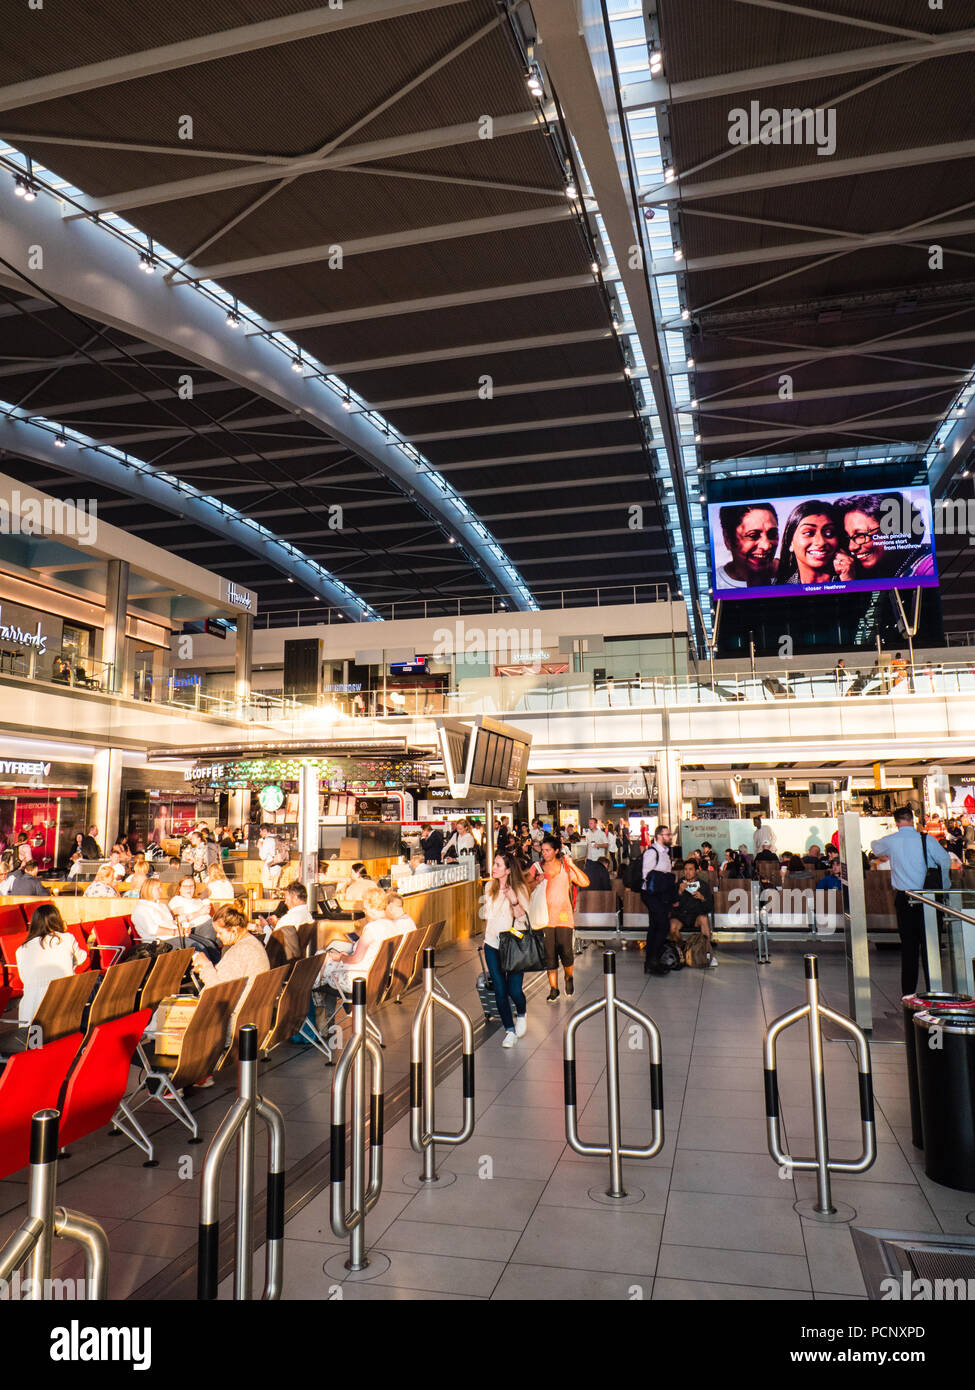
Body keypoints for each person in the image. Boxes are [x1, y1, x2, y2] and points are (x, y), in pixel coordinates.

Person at [871, 806, 951, 995]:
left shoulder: (892, 841)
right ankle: (934, 991)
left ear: (897, 822)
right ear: (913, 820)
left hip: (905, 899)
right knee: (931, 947)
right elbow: (944, 860)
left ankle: (908, 994)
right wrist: (944, 886)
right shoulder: (927, 839)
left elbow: (875, 847)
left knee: (909, 949)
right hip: (930, 899)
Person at [527, 834, 588, 1003]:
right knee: (550, 955)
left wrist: (572, 865)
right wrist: (536, 882)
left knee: (566, 952)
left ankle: (569, 977)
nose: (544, 853)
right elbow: (525, 886)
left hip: (564, 917)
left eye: (547, 850)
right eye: (542, 850)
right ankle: (553, 989)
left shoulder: (565, 869)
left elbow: (584, 882)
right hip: (544, 918)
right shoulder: (537, 868)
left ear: (556, 851)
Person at [480, 851, 531, 1048]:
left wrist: (513, 899)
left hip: (515, 945)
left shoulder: (519, 889)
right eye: (494, 863)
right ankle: (509, 1030)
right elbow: (488, 915)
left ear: (508, 870)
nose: (493, 867)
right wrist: (485, 938)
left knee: (514, 990)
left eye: (498, 865)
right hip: (492, 945)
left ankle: (522, 1013)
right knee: (500, 989)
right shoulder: (489, 887)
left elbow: (523, 918)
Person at [317, 886, 403, 993]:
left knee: (320, 960)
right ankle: (325, 1002)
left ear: (372, 907)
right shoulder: (392, 925)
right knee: (324, 967)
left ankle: (313, 1001)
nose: (364, 912)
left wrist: (340, 957)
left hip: (359, 979)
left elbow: (356, 959)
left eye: (365, 908)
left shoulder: (372, 928)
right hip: (377, 976)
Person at [15, 903, 87, 1026]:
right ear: (58, 920)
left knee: (36, 1043)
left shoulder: (21, 949)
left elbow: (24, 978)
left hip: (31, 1010)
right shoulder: (66, 938)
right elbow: (81, 958)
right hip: (64, 1002)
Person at [192, 908, 269, 997]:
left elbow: (217, 991)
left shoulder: (239, 951)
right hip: (251, 1004)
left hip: (233, 1007)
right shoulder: (252, 942)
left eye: (220, 932)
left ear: (234, 930)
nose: (217, 936)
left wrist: (206, 965)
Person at [775, 499, 843, 586]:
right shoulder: (777, 587)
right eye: (808, 533)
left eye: (829, 533)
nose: (821, 542)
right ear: (790, 542)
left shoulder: (852, 579)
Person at [717, 502, 781, 588]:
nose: (766, 546)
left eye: (772, 534)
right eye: (753, 536)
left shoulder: (796, 575)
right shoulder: (716, 584)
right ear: (728, 539)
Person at [641, 825, 676, 974]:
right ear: (660, 836)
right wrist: (665, 879)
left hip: (661, 895)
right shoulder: (652, 852)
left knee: (655, 927)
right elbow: (646, 875)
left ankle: (651, 961)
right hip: (652, 895)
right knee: (662, 926)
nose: (670, 837)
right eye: (667, 835)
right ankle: (652, 960)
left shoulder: (665, 853)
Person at [669, 861, 714, 944]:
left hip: (696, 916)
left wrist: (702, 898)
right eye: (685, 869)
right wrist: (679, 892)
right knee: (672, 926)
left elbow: (709, 907)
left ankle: (707, 950)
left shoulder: (703, 886)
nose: (687, 872)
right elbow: (671, 903)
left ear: (696, 871)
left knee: (704, 919)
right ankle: (681, 949)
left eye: (690, 869)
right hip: (681, 916)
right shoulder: (678, 884)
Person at [266, 880, 313, 960]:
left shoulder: (288, 918)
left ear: (295, 898)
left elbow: (270, 943)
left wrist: (265, 927)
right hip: (297, 960)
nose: (285, 902)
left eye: (287, 899)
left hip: (280, 962)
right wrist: (277, 924)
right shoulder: (308, 916)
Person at [130, 878, 180, 943]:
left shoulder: (161, 905)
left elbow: (170, 922)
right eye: (158, 888)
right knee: (195, 944)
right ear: (149, 890)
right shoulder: (141, 909)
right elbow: (152, 930)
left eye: (161, 888)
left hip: (174, 937)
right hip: (158, 942)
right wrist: (175, 932)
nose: (161, 890)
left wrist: (183, 928)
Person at [259, 824, 283, 892]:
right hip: (278, 867)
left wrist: (260, 846)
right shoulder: (278, 838)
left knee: (268, 891)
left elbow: (263, 857)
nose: (260, 833)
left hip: (269, 870)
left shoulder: (268, 840)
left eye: (260, 831)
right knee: (274, 889)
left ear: (265, 831)